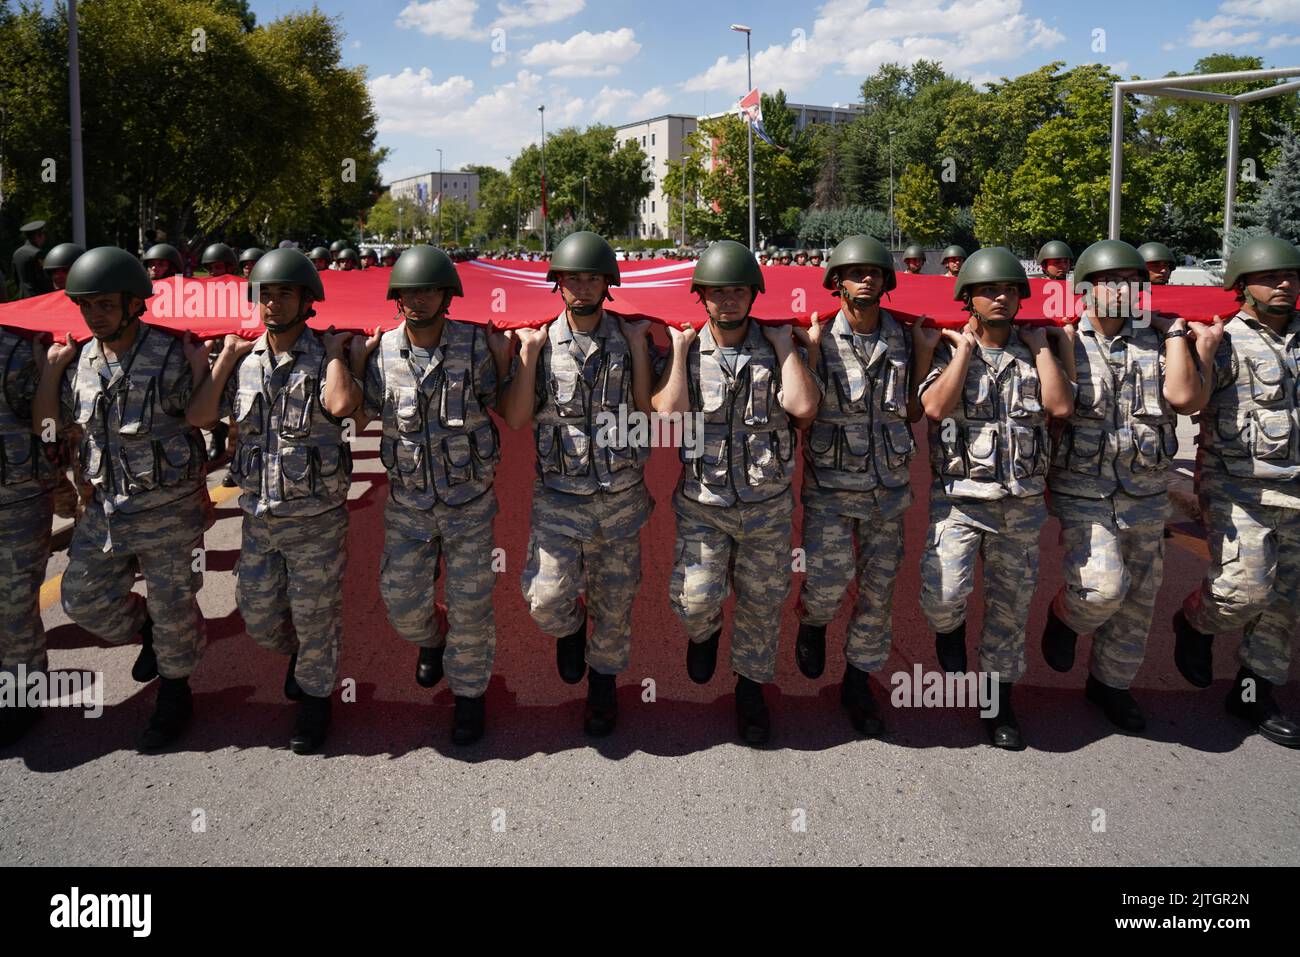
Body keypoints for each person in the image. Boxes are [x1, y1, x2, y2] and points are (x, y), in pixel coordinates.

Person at [33, 247, 210, 750]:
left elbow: (204, 416)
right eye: (86, 306)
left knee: (174, 606)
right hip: (105, 510)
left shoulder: (173, 353)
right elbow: (48, 425)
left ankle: (175, 694)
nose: (95, 316)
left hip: (168, 510)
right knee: (81, 599)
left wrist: (203, 369)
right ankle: (150, 632)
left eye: (106, 305)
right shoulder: (80, 359)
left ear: (135, 304)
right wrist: (53, 368)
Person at [187, 248, 362, 754]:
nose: (273, 303)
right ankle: (305, 659)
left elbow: (343, 407)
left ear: (308, 300)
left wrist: (331, 352)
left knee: (315, 614)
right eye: (266, 293)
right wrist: (223, 360)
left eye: (285, 293)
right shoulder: (243, 361)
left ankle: (314, 701)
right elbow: (201, 416)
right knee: (258, 613)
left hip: (316, 519)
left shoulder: (329, 356)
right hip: (259, 517)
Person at [652, 241, 821, 745]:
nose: (728, 300)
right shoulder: (684, 347)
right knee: (694, 600)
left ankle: (751, 691)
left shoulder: (776, 347)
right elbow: (669, 418)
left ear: (753, 294)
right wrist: (681, 352)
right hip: (704, 505)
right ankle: (704, 633)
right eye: (718, 291)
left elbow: (804, 408)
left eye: (738, 290)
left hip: (766, 505)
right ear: (701, 296)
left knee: (763, 603)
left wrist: (788, 347)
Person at [499, 231, 664, 736]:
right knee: (546, 600)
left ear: (608, 284)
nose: (584, 286)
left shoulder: (633, 337)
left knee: (615, 604)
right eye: (574, 278)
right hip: (560, 499)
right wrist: (526, 357)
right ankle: (569, 630)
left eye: (593, 277)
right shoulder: (540, 342)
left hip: (619, 498)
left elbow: (645, 412)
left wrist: (639, 350)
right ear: (559, 284)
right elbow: (517, 419)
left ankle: (602, 687)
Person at [1041, 240, 1210, 732]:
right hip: (1083, 488)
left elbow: (1181, 398)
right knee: (1101, 588)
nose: (1118, 289)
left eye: (1128, 281)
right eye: (1106, 281)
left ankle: (1111, 686)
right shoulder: (1060, 340)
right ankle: (1066, 616)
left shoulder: (1159, 339)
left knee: (1138, 599)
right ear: (1085, 290)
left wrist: (1177, 333)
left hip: (1146, 488)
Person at [351, 246, 512, 744]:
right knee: (400, 601)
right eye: (409, 291)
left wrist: (508, 357)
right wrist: (355, 362)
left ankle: (469, 696)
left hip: (468, 503)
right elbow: (361, 414)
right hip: (409, 507)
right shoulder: (381, 352)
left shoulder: (473, 346)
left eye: (428, 290)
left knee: (471, 606)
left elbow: (498, 401)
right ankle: (430, 639)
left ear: (447, 295)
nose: (418, 300)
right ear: (396, 298)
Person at [917, 247, 1072, 750]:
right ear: (968, 299)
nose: (1000, 297)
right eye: (987, 290)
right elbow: (935, 408)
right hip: (961, 500)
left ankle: (997, 703)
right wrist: (963, 350)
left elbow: (1061, 404)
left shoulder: (1037, 349)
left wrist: (1044, 349)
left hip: (1021, 505)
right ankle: (949, 631)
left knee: (1009, 611)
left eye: (1008, 289)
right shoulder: (944, 348)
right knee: (942, 598)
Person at [793, 235, 934, 736]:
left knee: (878, 594)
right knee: (828, 582)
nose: (866, 279)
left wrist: (922, 354)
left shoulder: (905, 335)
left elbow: (915, 410)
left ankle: (858, 681)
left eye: (874, 272)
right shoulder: (815, 337)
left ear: (888, 282)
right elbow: (801, 416)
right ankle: (812, 621)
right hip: (831, 489)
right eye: (854, 273)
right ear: (836, 283)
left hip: (888, 492)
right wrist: (808, 351)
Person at [1173, 235, 1300, 748]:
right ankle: (1195, 622)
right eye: (1272, 277)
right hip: (1238, 488)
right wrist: (1197, 347)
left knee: (1284, 605)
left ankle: (1253, 695)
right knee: (1243, 590)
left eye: (1291, 276)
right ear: (1243, 285)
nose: (1286, 284)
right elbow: (1189, 401)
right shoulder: (1222, 337)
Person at [0, 322, 60, 746]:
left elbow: (50, 426)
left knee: (14, 607)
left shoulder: (17, 351)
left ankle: (22, 699)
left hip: (16, 500)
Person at [11, 221, 53, 299]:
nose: (44, 237)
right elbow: (43, 279)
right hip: (38, 298)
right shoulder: (37, 253)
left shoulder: (17, 253)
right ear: (38, 236)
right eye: (42, 235)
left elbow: (16, 278)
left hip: (23, 297)